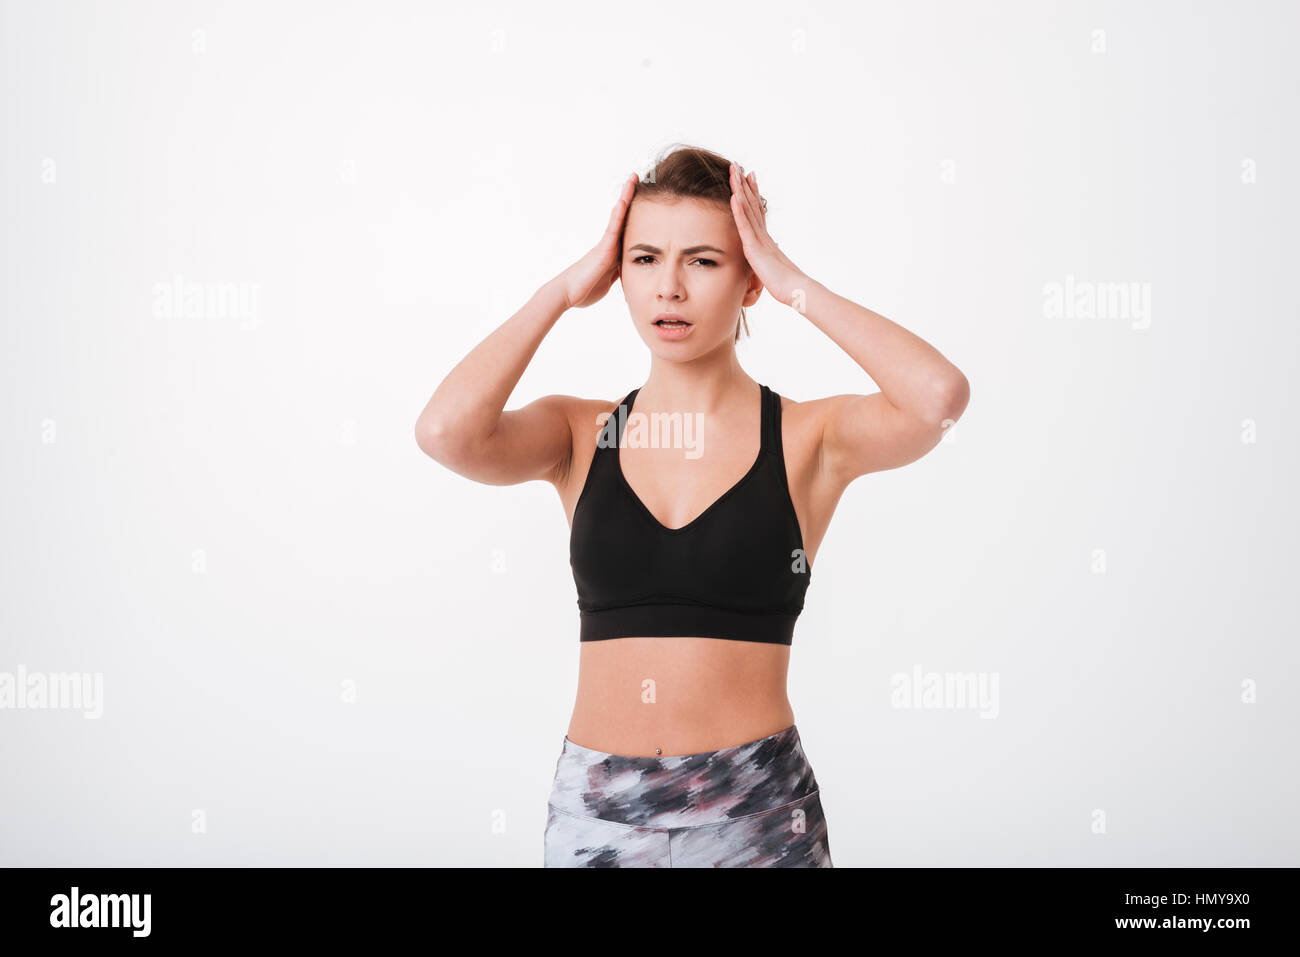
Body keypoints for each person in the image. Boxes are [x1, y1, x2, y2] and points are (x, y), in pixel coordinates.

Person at [415, 143, 970, 867]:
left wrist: (792, 280)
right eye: (644, 259)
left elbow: (938, 398)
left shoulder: (808, 438)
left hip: (757, 812)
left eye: (704, 261)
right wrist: (558, 291)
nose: (668, 287)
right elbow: (444, 432)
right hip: (598, 813)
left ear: (748, 282)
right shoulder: (579, 434)